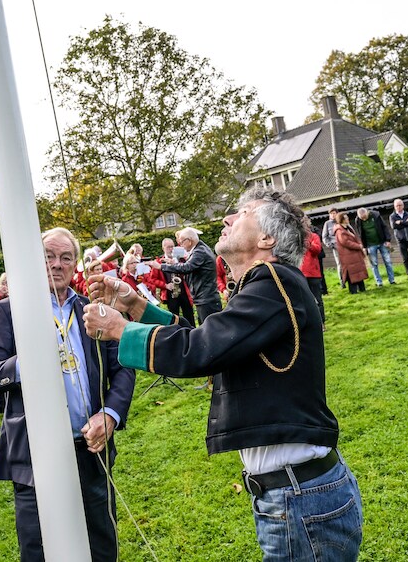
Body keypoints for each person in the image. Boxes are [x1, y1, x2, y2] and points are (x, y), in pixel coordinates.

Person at [83, 187, 363, 561]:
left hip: (300, 497)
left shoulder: (273, 283)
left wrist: (121, 330)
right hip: (296, 494)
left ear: (267, 238)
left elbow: (201, 350)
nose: (228, 219)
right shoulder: (268, 285)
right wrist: (135, 305)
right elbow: (209, 338)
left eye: (243, 212)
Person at [0, 227, 136, 562]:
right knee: (39, 551)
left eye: (66, 258)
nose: (56, 264)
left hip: (90, 447)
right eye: (48, 256)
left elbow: (123, 367)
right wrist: (26, 362)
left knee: (101, 545)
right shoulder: (8, 311)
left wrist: (110, 415)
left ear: (75, 264)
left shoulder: (91, 308)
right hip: (35, 454)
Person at [160, 227, 222, 324]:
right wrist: (173, 263)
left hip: (205, 299)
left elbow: (187, 268)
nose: (180, 246)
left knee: (210, 330)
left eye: (181, 242)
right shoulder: (201, 249)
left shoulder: (199, 251)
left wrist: (161, 266)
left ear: (189, 241)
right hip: (205, 298)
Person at [156, 238, 195, 324]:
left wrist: (177, 262)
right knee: (174, 318)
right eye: (168, 247)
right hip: (171, 294)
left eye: (172, 247)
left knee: (189, 315)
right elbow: (153, 279)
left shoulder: (181, 259)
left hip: (184, 291)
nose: (171, 249)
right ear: (163, 248)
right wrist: (165, 285)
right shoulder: (159, 262)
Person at [353, 208, 396, 286]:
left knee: (388, 261)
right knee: (374, 264)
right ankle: (379, 282)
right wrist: (364, 246)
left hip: (382, 242)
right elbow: (360, 234)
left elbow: (384, 227)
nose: (364, 219)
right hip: (370, 245)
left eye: (365, 217)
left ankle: (392, 280)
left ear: (367, 213)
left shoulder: (376, 215)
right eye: (362, 218)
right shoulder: (358, 221)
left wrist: (388, 240)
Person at [333, 213, 369, 294]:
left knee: (358, 271)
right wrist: (358, 246)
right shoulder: (339, 231)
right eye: (346, 218)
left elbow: (355, 237)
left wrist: (360, 244)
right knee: (351, 274)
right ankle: (353, 291)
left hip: (355, 254)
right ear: (342, 219)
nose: (348, 219)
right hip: (348, 256)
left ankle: (362, 289)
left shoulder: (348, 228)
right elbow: (345, 242)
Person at [300, 227, 327, 320]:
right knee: (304, 300)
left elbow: (317, 250)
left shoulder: (314, 236)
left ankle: (321, 322)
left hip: (313, 272)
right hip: (300, 272)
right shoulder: (295, 238)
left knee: (318, 299)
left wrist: (308, 244)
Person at [322, 207, 343, 289]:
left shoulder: (340, 221)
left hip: (345, 246)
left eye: (334, 213)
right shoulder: (327, 224)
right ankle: (342, 282)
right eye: (331, 213)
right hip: (336, 247)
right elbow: (324, 237)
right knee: (340, 264)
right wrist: (330, 245)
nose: (333, 215)